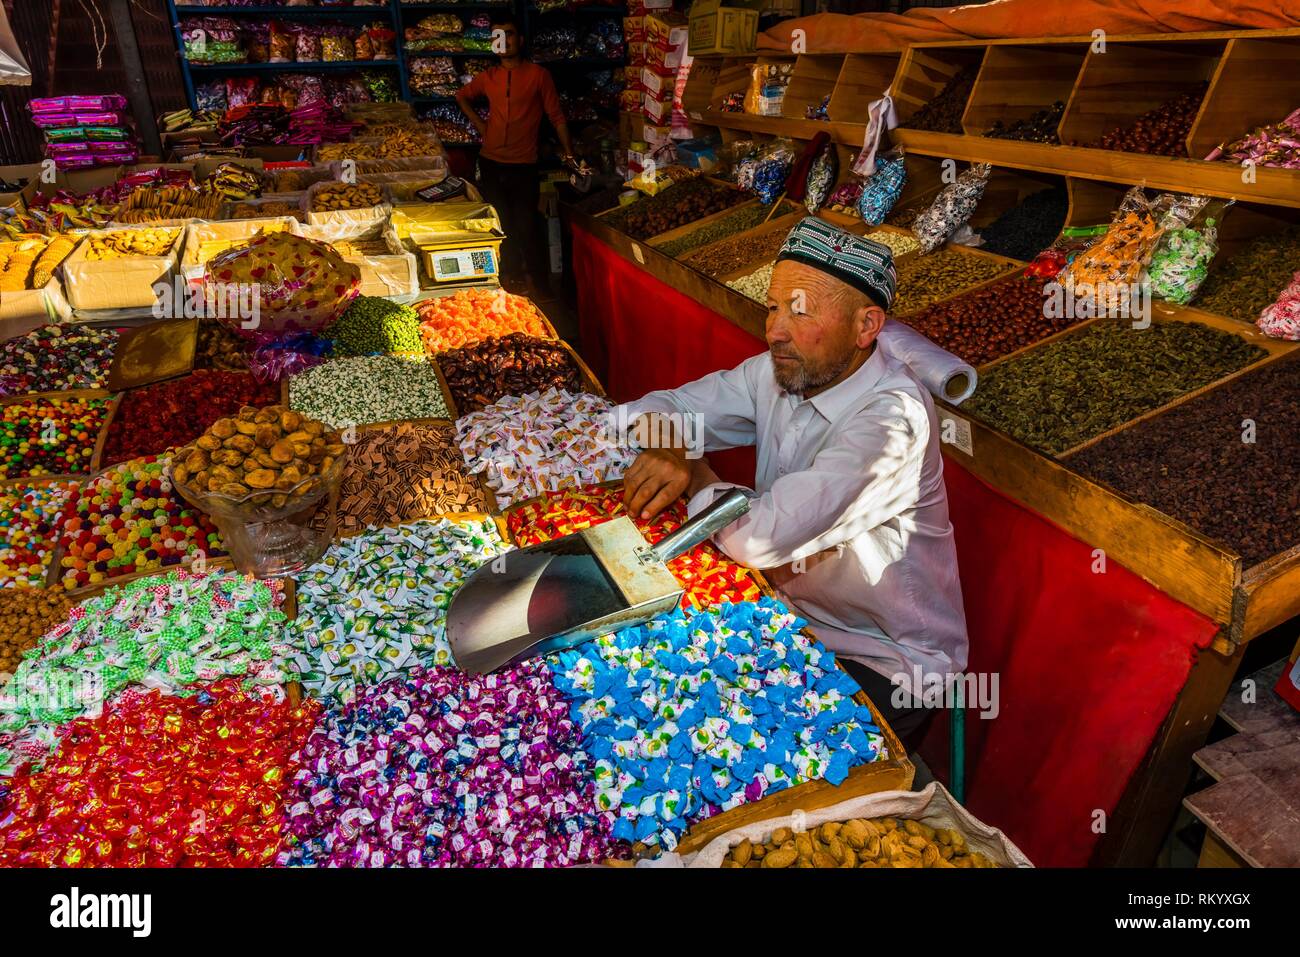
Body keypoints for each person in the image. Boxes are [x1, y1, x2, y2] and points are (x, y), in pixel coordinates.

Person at [618, 217, 968, 751]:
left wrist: (697, 472)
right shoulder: (781, 369)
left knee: (724, 755)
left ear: (865, 326)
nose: (774, 329)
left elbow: (758, 538)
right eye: (773, 307)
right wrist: (671, 444)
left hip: (882, 659)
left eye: (799, 310)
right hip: (786, 614)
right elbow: (655, 408)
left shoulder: (891, 420)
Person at [455, 14, 577, 295]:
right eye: (498, 36)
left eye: (509, 34)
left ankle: (541, 284)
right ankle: (510, 277)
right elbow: (461, 95)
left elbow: (556, 116)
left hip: (523, 164)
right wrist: (481, 125)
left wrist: (569, 152)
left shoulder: (538, 75)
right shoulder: (489, 77)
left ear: (520, 40)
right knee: (502, 225)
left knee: (527, 225)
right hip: (491, 162)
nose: (504, 41)